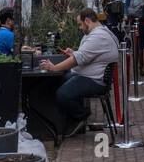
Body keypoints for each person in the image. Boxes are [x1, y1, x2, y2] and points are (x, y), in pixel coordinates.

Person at [40, 8, 120, 137]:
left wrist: (55, 67)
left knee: (63, 94)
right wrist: (74, 53)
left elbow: (78, 60)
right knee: (60, 80)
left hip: (95, 80)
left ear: (87, 21)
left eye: (80, 24)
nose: (79, 27)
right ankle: (62, 122)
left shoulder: (98, 36)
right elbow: (85, 55)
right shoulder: (100, 33)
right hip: (92, 75)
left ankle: (80, 116)